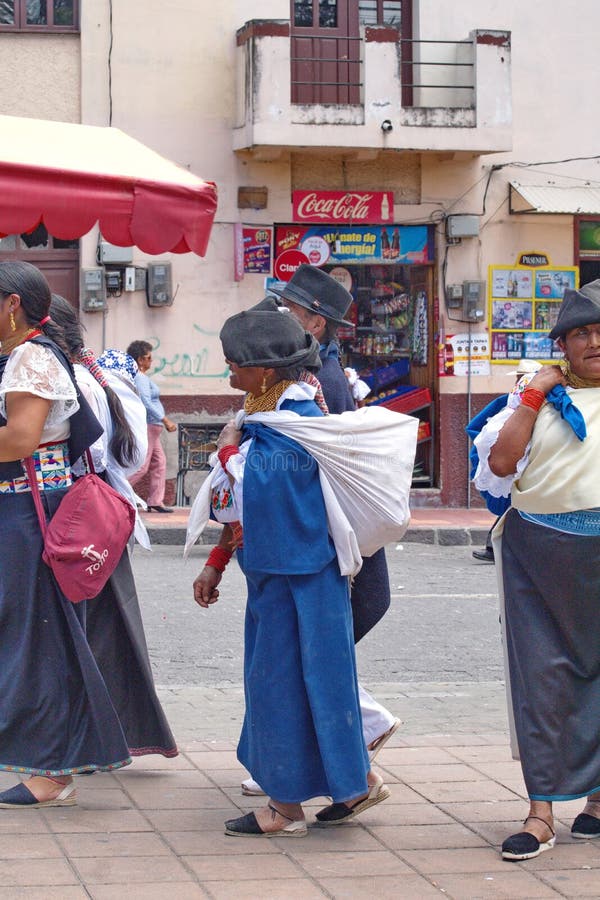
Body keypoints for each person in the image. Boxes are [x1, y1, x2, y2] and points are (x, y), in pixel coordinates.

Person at [193, 302, 390, 836]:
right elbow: (242, 511)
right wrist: (216, 562)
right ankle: (356, 783)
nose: (229, 373)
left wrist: (230, 453)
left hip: (298, 577)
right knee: (317, 683)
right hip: (289, 573)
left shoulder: (290, 425)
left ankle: (284, 807)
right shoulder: (271, 416)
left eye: (234, 364)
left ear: (262, 370)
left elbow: (261, 490)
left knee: (279, 682)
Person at [472, 280, 600, 860]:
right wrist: (532, 396)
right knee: (541, 679)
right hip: (537, 554)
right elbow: (501, 461)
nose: (593, 342)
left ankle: (596, 804)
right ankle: (541, 813)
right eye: (581, 334)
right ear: (563, 346)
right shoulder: (536, 397)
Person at [0, 261, 132, 808]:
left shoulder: (31, 356)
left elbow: (20, 440)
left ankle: (53, 770)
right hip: (24, 509)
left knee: (42, 637)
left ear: (11, 304)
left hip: (31, 512)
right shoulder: (21, 355)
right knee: (29, 632)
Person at [48, 296, 177, 761]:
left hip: (73, 519)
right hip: (101, 518)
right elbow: (128, 458)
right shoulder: (104, 381)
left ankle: (82, 745)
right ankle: (115, 736)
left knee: (79, 632)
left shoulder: (69, 381)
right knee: (108, 633)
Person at [470, 359, 542, 563]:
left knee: (514, 506)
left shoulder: (528, 394)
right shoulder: (517, 396)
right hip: (517, 457)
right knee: (513, 506)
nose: (518, 380)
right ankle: (496, 546)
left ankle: (496, 547)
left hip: (522, 457)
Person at [127, 339, 177, 513]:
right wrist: (166, 420)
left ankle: (155, 500)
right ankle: (115, 490)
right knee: (142, 466)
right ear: (140, 360)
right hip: (150, 425)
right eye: (148, 358)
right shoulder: (140, 378)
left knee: (159, 462)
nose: (151, 361)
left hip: (153, 427)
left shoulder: (142, 377)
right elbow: (146, 402)